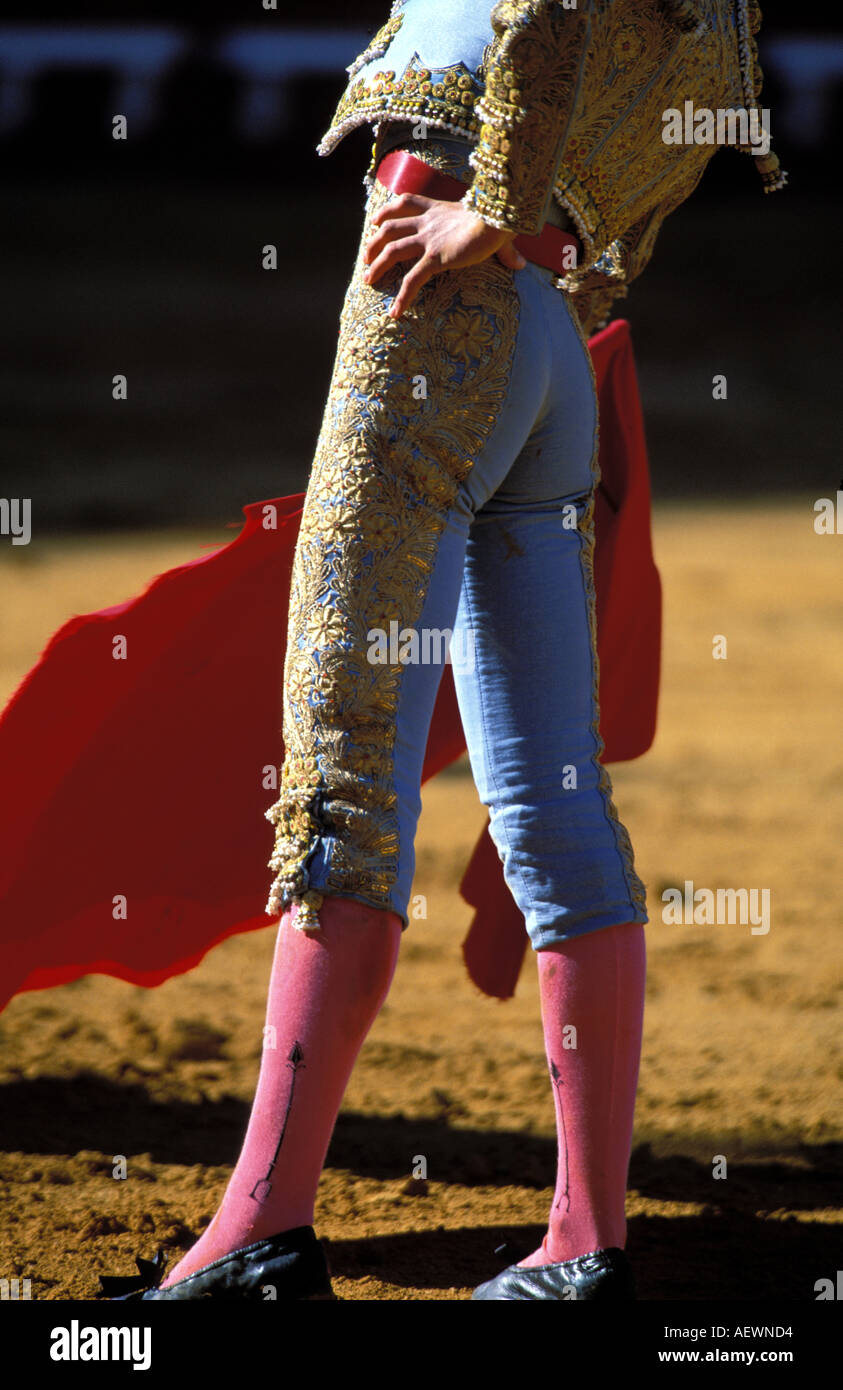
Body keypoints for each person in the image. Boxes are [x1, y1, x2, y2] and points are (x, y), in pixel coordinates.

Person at [102, 0, 784, 1301]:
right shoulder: (719, 18)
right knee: (557, 809)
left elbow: (542, 8)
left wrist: (490, 204)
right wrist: (529, 233)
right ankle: (585, 1242)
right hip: (550, 344)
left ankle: (257, 1231)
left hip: (436, 292)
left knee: (346, 768)